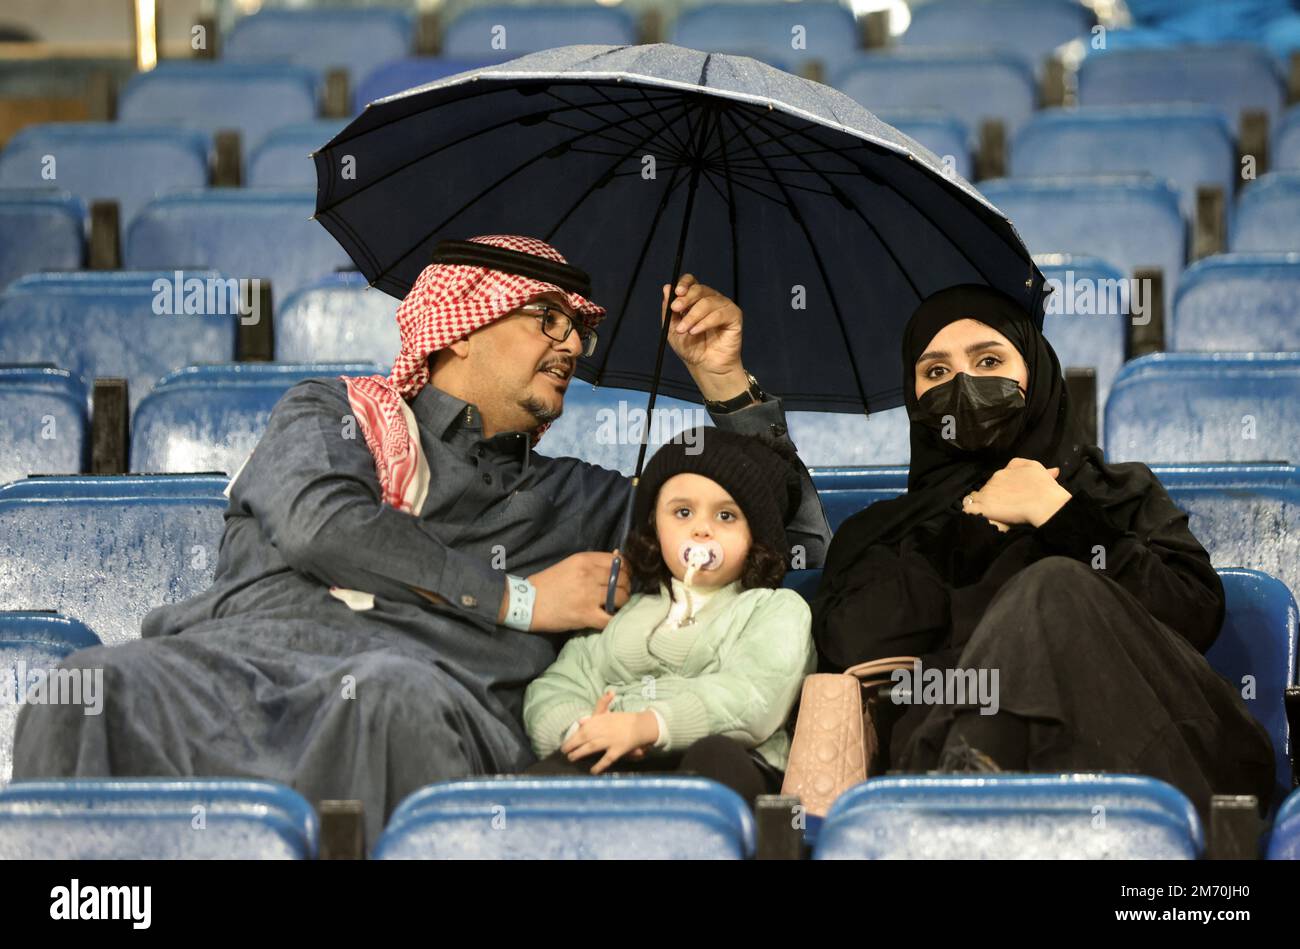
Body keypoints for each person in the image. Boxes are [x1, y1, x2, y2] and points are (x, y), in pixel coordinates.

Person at [12, 234, 831, 846]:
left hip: (422, 709)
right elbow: (323, 526)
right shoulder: (333, 414)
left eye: (579, 330)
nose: (573, 345)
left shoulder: (581, 500)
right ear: (460, 329)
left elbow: (781, 557)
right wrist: (518, 597)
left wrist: (726, 381)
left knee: (385, 692)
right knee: (83, 687)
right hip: (230, 673)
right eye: (544, 318)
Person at [810, 284, 1274, 819]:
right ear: (914, 400)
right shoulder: (880, 531)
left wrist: (1060, 515)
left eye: (988, 360)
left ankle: (986, 795)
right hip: (943, 753)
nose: (963, 384)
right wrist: (974, 529)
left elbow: (1193, 614)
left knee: (1053, 587)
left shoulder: (1113, 493)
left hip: (1146, 753)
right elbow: (853, 643)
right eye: (935, 372)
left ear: (1036, 371)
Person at [523, 428, 816, 806]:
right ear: (654, 526)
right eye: (682, 512)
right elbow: (558, 683)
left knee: (715, 760)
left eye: (726, 516)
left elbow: (753, 695)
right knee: (547, 779)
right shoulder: (624, 609)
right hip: (617, 758)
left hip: (728, 758)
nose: (700, 528)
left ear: (756, 536)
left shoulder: (772, 609)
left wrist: (649, 725)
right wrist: (581, 729)